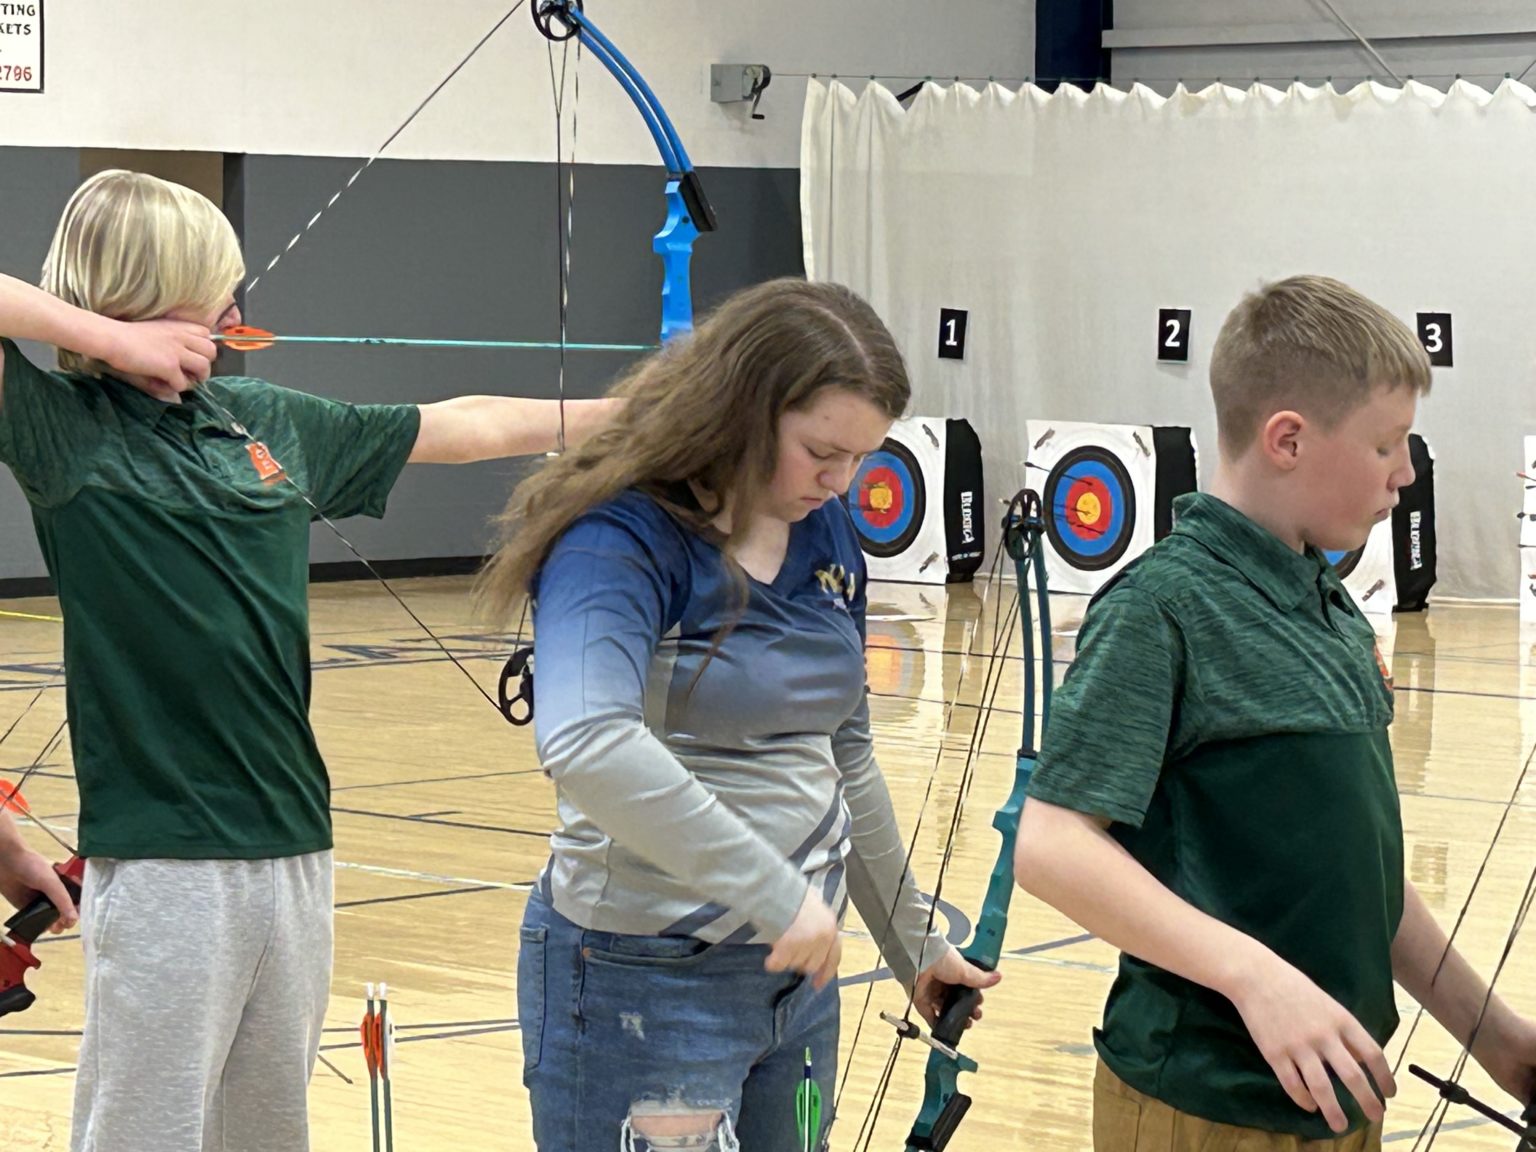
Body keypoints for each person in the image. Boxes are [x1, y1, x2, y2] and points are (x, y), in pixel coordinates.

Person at [0, 167, 615, 1152]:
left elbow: (464, 427)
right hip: (166, 860)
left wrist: (648, 418)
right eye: (212, 291)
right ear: (143, 301)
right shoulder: (63, 432)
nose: (236, 310)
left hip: (293, 844)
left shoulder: (264, 419)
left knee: (268, 1131)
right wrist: (110, 344)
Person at [1014, 275, 1536, 1150]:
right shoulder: (1163, 608)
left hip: (1337, 1092)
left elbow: (1365, 881)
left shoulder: (1328, 609)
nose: (1407, 473)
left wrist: (1500, 1042)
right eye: (1387, 445)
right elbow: (1051, 844)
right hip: (1203, 1105)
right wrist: (1254, 977)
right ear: (1288, 439)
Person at [479, 277, 1000, 1151]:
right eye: (819, 451)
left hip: (797, 985)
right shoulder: (620, 536)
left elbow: (847, 754)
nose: (840, 483)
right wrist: (778, 895)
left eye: (862, 458)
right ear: (744, 410)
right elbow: (587, 741)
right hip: (640, 978)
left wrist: (911, 942)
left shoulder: (827, 530)